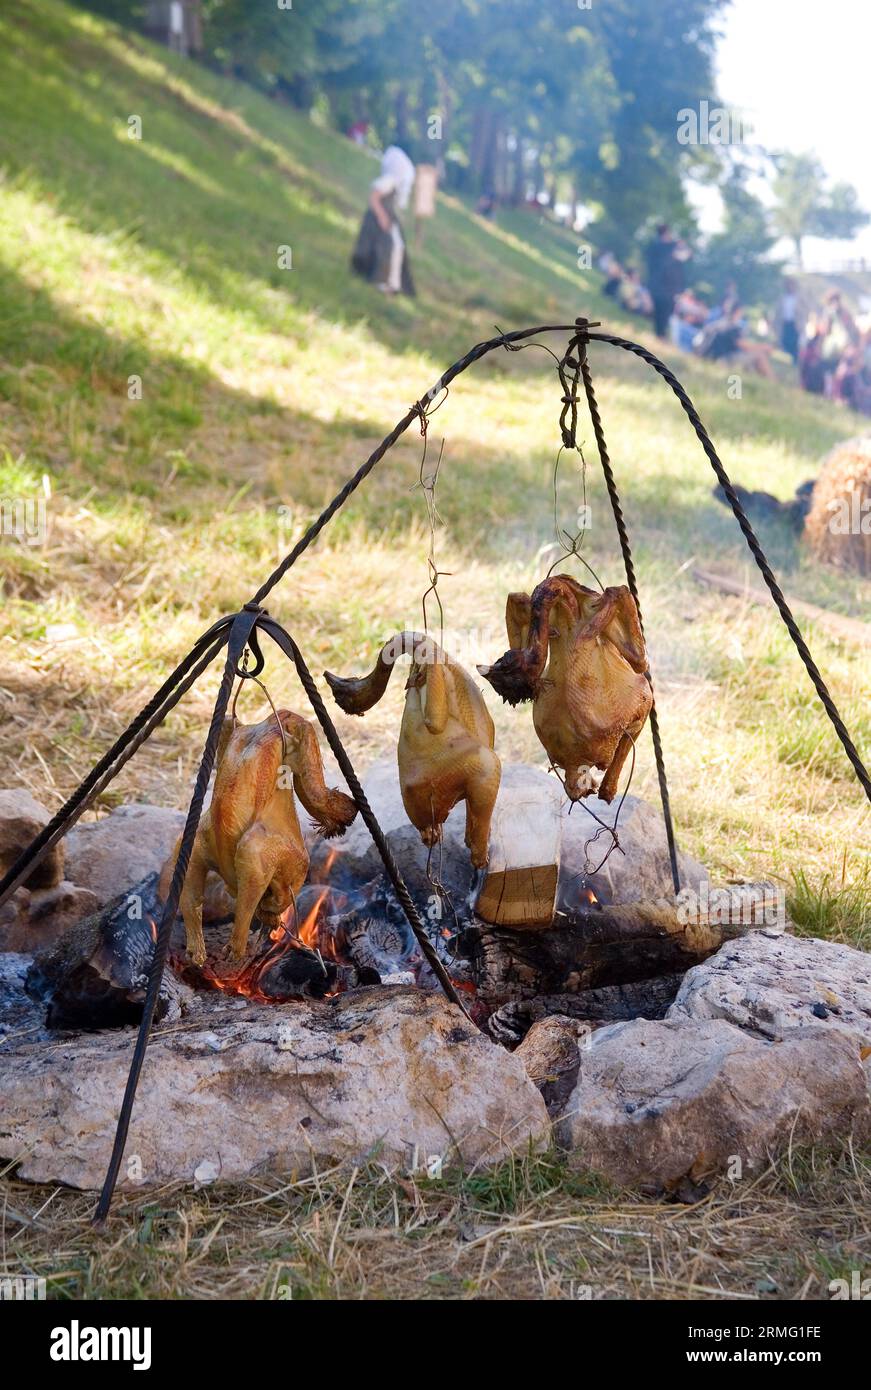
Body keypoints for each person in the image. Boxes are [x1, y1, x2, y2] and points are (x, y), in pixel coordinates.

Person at [351, 145, 416, 296]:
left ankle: (392, 283)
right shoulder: (389, 181)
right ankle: (383, 282)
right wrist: (382, 216)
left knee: (396, 248)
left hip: (387, 218)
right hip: (379, 219)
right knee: (387, 249)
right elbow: (374, 198)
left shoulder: (394, 183)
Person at [645, 224, 687, 338]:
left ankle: (659, 334)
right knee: (665, 311)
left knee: (660, 312)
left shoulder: (654, 246)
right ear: (667, 233)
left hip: (656, 284)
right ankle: (661, 335)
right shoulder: (670, 246)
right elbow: (684, 255)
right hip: (667, 287)